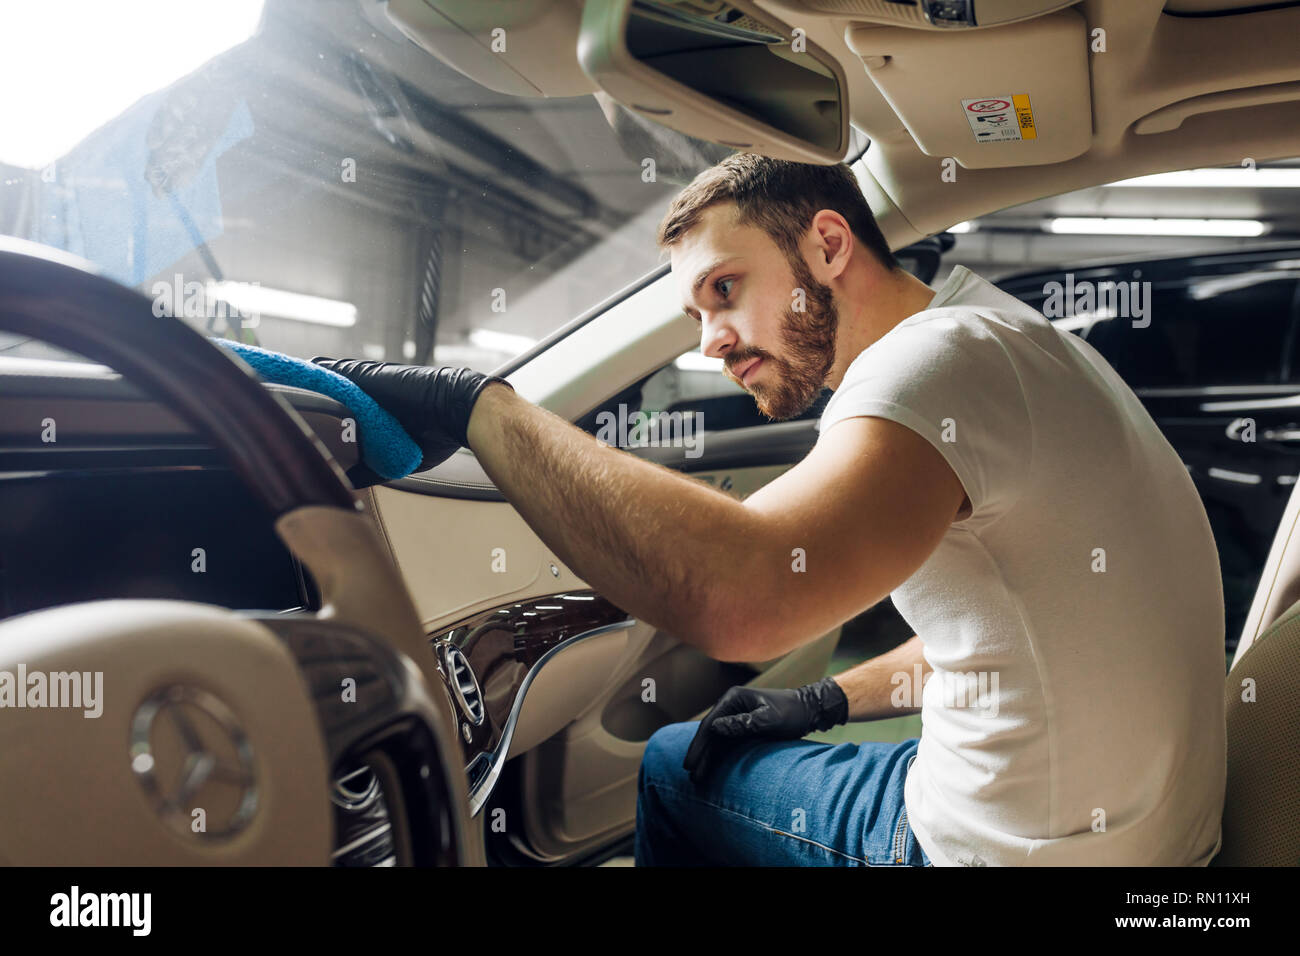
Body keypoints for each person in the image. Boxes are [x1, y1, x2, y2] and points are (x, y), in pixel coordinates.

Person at [313, 154, 1227, 867]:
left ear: (829, 247)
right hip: (1138, 842)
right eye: (695, 312)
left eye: (725, 289)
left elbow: (741, 597)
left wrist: (483, 408)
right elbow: (1001, 633)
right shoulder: (1006, 340)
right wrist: (827, 698)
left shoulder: (936, 365)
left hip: (1005, 852)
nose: (710, 340)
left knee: (673, 766)